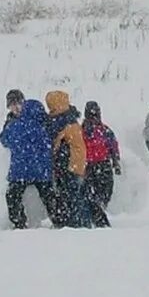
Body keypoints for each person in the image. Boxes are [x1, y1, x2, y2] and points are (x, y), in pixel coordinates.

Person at [0, 98, 61, 229]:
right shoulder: (45, 128)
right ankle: (58, 219)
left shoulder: (15, 126)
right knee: (49, 196)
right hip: (41, 171)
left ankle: (19, 221)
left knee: (12, 196)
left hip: (20, 171)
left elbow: (4, 140)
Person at [45, 91, 99, 227]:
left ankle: (80, 222)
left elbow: (58, 140)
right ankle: (80, 221)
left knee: (72, 195)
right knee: (75, 193)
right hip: (76, 163)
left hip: (71, 163)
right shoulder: (69, 118)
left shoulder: (64, 122)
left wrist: (53, 149)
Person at [82, 101, 121, 210]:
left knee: (93, 189)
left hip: (89, 164)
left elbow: (113, 146)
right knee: (104, 188)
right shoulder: (104, 130)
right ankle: (100, 207)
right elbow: (113, 146)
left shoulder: (82, 130)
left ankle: (97, 208)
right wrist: (116, 162)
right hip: (100, 164)